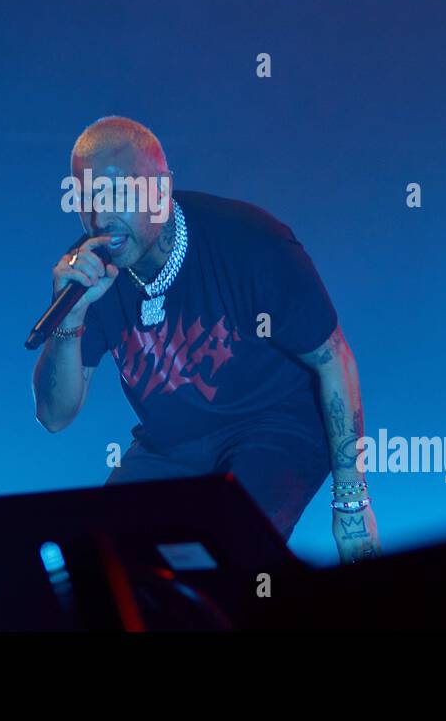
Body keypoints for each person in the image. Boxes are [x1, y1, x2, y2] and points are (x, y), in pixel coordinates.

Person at [31, 116, 381, 561]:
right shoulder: (93, 270)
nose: (101, 217)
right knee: (97, 558)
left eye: (119, 194)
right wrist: (71, 317)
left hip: (275, 427)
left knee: (223, 551)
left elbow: (335, 361)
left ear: (160, 190)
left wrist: (351, 505)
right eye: (87, 197)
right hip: (171, 445)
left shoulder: (251, 242)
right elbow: (54, 416)